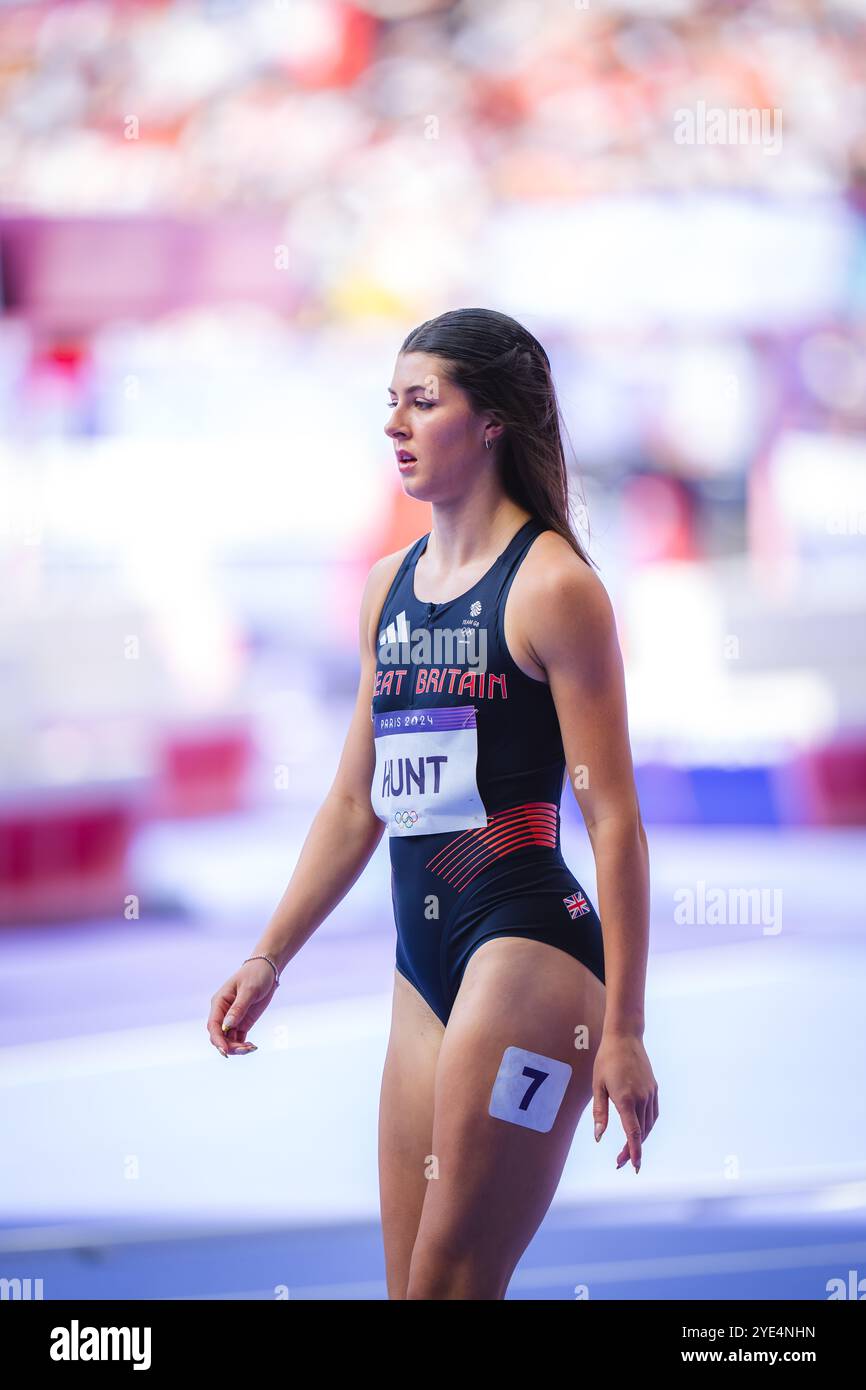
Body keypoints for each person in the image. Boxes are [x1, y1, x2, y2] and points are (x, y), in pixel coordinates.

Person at [207, 307, 657, 1300]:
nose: (395, 425)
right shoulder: (386, 591)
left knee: (451, 1282)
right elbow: (354, 802)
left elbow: (613, 819)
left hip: (529, 948)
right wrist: (266, 954)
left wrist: (621, 1027)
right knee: (407, 1288)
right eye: (390, 402)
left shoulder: (551, 588)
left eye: (422, 401)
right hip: (422, 969)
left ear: (491, 420)